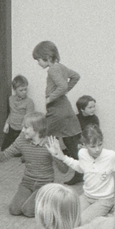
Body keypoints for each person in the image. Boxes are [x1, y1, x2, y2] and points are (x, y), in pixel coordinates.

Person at [47, 125, 115, 223]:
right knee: (68, 216)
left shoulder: (111, 156)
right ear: (85, 145)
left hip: (104, 200)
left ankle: (108, 210)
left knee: (82, 221)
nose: (97, 149)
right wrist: (62, 157)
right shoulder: (82, 153)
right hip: (87, 196)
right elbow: (81, 168)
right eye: (93, 146)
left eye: (100, 144)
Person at [0, 112, 68, 218]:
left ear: (37, 128)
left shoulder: (49, 142)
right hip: (27, 182)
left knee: (27, 211)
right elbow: (3, 157)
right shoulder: (22, 139)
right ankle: (38, 199)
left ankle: (50, 199)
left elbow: (64, 169)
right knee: (14, 209)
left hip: (44, 184)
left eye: (26, 127)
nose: (22, 130)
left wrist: (57, 154)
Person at [32, 41, 83, 186]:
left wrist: (51, 97)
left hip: (57, 111)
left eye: (38, 60)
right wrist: (62, 92)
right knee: (70, 142)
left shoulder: (52, 69)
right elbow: (76, 76)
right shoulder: (61, 67)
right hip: (65, 109)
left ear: (47, 57)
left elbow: (63, 86)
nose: (38, 63)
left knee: (42, 135)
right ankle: (80, 171)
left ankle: (41, 166)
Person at [4, 75, 36, 149]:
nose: (24, 92)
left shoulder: (29, 102)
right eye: (21, 90)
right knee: (5, 148)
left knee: (19, 149)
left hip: (22, 130)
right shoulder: (11, 99)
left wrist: (24, 130)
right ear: (14, 90)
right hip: (12, 128)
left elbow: (28, 119)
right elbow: (11, 112)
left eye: (25, 89)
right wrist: (7, 123)